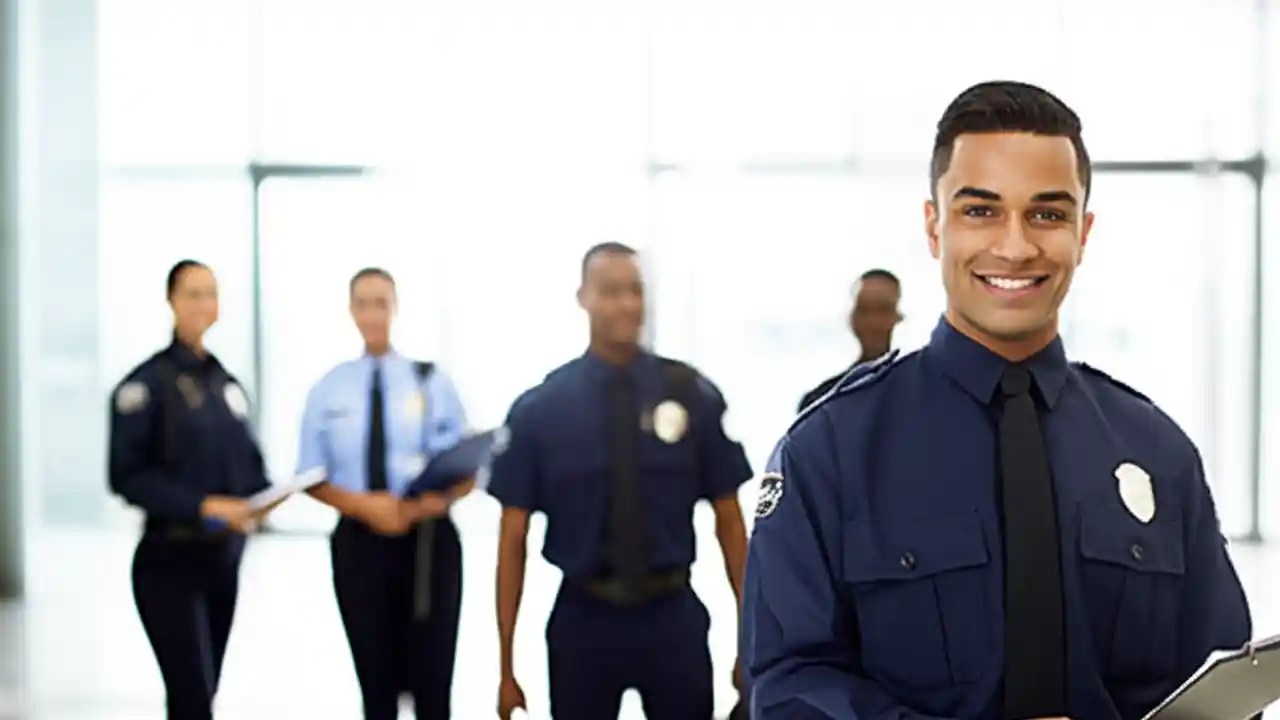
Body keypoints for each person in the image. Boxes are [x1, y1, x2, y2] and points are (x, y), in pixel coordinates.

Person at [742, 81, 1253, 720]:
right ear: (935, 226)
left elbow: (1224, 686)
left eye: (1047, 213)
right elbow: (792, 686)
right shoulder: (828, 451)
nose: (1014, 247)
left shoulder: (1159, 452)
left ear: (1083, 231)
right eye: (981, 211)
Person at [490, 241, 754, 720]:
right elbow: (512, 540)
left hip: (671, 615)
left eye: (635, 291)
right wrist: (505, 668)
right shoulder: (541, 410)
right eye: (611, 291)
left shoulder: (691, 395)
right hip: (583, 621)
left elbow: (731, 525)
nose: (628, 304)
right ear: (583, 297)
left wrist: (751, 640)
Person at [296, 267, 472, 720]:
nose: (373, 313)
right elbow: (309, 474)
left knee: (433, 689)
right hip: (360, 545)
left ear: (395, 307)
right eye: (364, 303)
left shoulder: (430, 380)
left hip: (428, 547)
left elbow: (466, 466)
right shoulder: (330, 388)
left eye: (382, 302)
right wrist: (364, 507)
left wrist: (416, 509)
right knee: (377, 688)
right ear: (351, 310)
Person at [108, 259, 272, 720]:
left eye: (211, 293)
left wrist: (262, 501)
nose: (204, 304)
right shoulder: (145, 385)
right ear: (172, 301)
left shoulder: (227, 385)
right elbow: (126, 476)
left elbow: (251, 467)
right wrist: (200, 506)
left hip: (222, 560)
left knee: (204, 691)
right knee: (192, 696)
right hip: (169, 561)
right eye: (193, 293)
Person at [797, 269, 903, 412]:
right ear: (852, 318)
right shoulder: (820, 402)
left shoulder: (924, 393)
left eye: (883, 309)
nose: (873, 322)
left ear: (898, 316)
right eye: (864, 310)